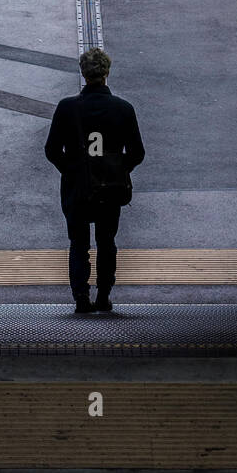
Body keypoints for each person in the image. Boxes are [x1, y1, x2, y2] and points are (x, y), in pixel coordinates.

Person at [45, 47, 145, 314]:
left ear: (83, 73)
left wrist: (72, 170)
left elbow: (51, 150)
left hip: (77, 188)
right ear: (107, 73)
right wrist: (117, 169)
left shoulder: (67, 108)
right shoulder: (123, 109)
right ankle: (104, 294)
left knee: (78, 242)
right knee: (106, 240)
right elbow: (137, 153)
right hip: (109, 188)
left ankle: (80, 297)